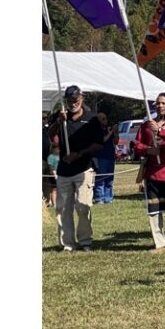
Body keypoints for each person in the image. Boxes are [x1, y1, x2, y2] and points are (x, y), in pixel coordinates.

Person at [46, 85, 107, 251]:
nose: (73, 103)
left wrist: (79, 154)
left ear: (82, 99)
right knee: (63, 208)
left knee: (82, 206)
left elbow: (98, 144)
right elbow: (51, 136)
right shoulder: (61, 117)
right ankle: (67, 243)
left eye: (76, 100)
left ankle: (85, 241)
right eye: (70, 100)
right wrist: (59, 122)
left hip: (84, 168)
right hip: (64, 169)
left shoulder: (91, 119)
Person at [131, 92, 165, 252]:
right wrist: (149, 150)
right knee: (154, 210)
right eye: (157, 103)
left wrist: (160, 131)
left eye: (163, 103)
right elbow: (136, 145)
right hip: (152, 173)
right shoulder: (146, 125)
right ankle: (160, 243)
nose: (160, 106)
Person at [92, 109, 117, 203]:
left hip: (110, 156)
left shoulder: (108, 130)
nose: (105, 120)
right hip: (101, 157)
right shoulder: (96, 130)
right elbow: (102, 140)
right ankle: (99, 198)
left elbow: (116, 142)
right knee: (101, 178)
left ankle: (108, 197)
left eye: (106, 118)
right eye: (103, 119)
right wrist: (110, 133)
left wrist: (116, 133)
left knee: (110, 178)